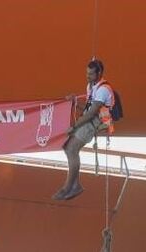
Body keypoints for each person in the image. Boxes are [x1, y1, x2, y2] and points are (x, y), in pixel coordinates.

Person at [53, 59, 116, 201]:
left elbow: (91, 113)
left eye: (91, 74)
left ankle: (69, 187)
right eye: (87, 73)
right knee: (68, 147)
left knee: (71, 149)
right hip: (91, 119)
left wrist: (74, 126)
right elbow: (87, 108)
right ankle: (74, 185)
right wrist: (75, 101)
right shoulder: (91, 86)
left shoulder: (103, 90)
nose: (88, 77)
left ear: (99, 73)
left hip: (96, 122)